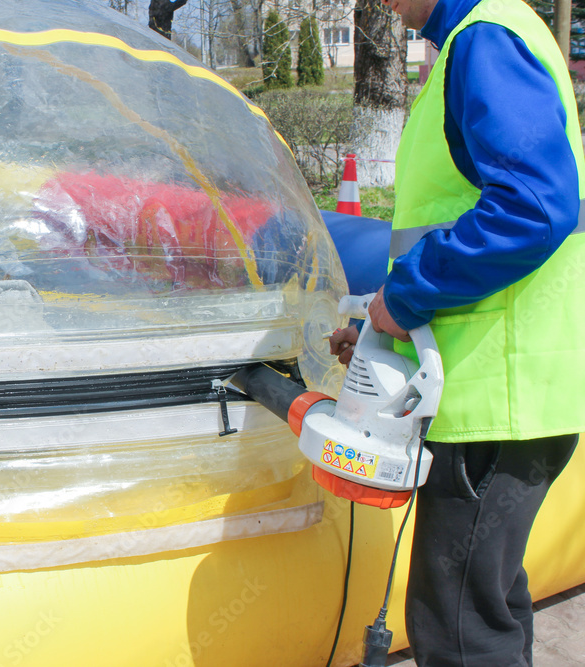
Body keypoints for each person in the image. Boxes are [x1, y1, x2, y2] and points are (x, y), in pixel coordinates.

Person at [328, 0, 584, 664]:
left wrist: (407, 295)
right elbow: (458, 218)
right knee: (485, 608)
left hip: (494, 401)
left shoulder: (486, 38)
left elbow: (533, 207)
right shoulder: (476, 41)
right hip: (505, 392)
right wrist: (387, 331)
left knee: (460, 629)